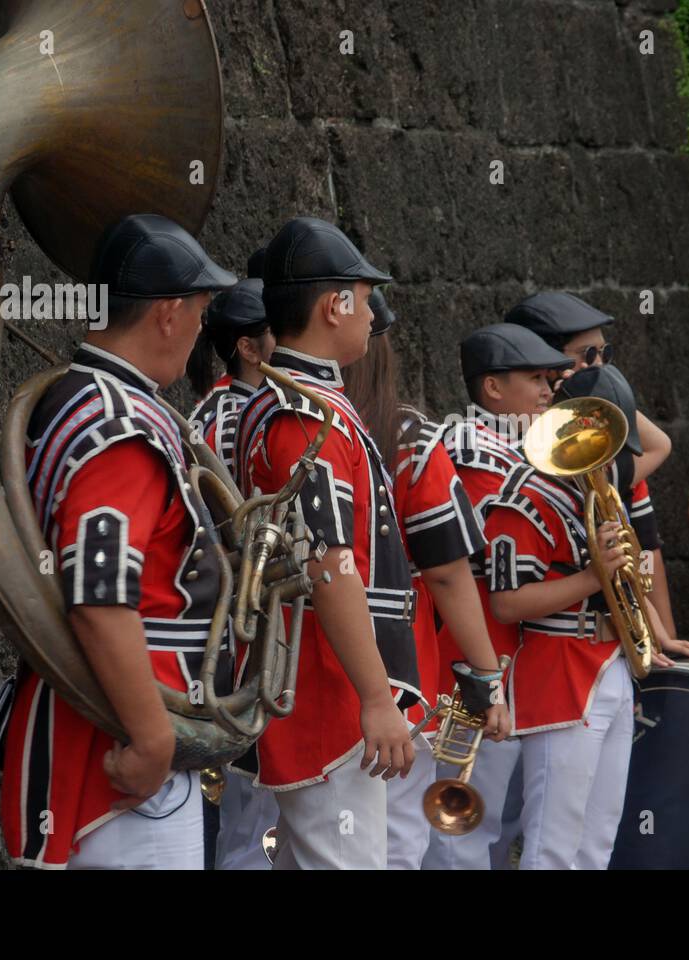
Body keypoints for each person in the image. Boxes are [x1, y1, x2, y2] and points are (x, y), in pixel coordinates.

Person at [0, 213, 237, 868]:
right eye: (200, 313)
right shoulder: (121, 428)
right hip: (121, 743)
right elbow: (98, 598)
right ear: (168, 313)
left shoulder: (81, 400)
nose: (200, 331)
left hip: (108, 724)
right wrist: (154, 741)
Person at [225, 216, 418, 870]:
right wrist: (374, 696)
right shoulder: (305, 415)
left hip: (321, 673)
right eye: (364, 298)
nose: (370, 313)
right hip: (326, 685)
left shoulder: (301, 403)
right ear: (335, 303)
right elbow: (330, 568)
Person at [484, 361, 689, 869]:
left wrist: (659, 635)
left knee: (598, 839)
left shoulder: (600, 492)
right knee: (552, 845)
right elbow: (507, 603)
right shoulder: (525, 497)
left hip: (610, 663)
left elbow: (625, 576)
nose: (612, 463)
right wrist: (590, 577)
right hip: (558, 671)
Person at [341, 290, 512, 870]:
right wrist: (488, 678)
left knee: (268, 841)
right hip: (393, 670)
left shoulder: (272, 417)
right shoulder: (408, 435)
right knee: (395, 842)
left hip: (292, 669)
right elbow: (444, 571)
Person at [421, 323, 576, 870]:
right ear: (492, 389)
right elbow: (492, 551)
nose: (548, 389)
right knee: (460, 825)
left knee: (499, 820)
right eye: (534, 378)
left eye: (549, 378)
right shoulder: (469, 446)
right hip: (469, 656)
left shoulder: (522, 448)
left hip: (510, 654)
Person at [505, 291, 679, 636]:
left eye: (605, 354)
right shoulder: (506, 453)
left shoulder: (605, 457)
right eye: (588, 355)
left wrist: (666, 640)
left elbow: (647, 553)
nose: (600, 365)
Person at [186, 279, 276, 475]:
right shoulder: (242, 424)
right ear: (248, 348)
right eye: (278, 330)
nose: (291, 337)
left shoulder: (215, 408)